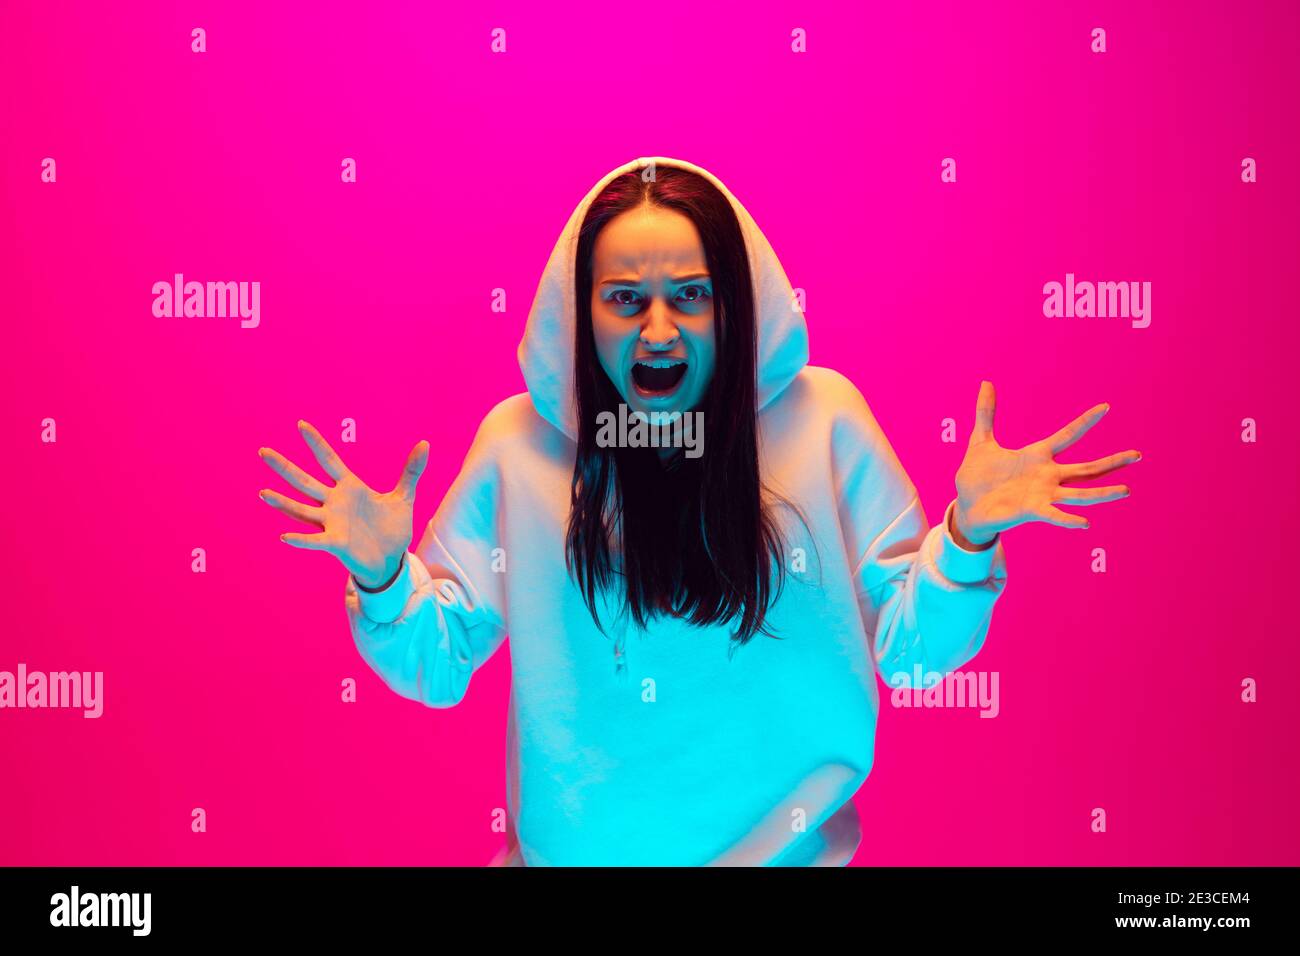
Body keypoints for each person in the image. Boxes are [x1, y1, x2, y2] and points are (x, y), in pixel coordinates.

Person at [257, 156, 1140, 866]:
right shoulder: (517, 447)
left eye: (689, 294)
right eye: (624, 299)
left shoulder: (824, 421)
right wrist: (379, 577)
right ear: (581, 310)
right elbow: (438, 661)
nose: (658, 331)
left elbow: (911, 656)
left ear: (734, 303)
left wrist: (966, 536)